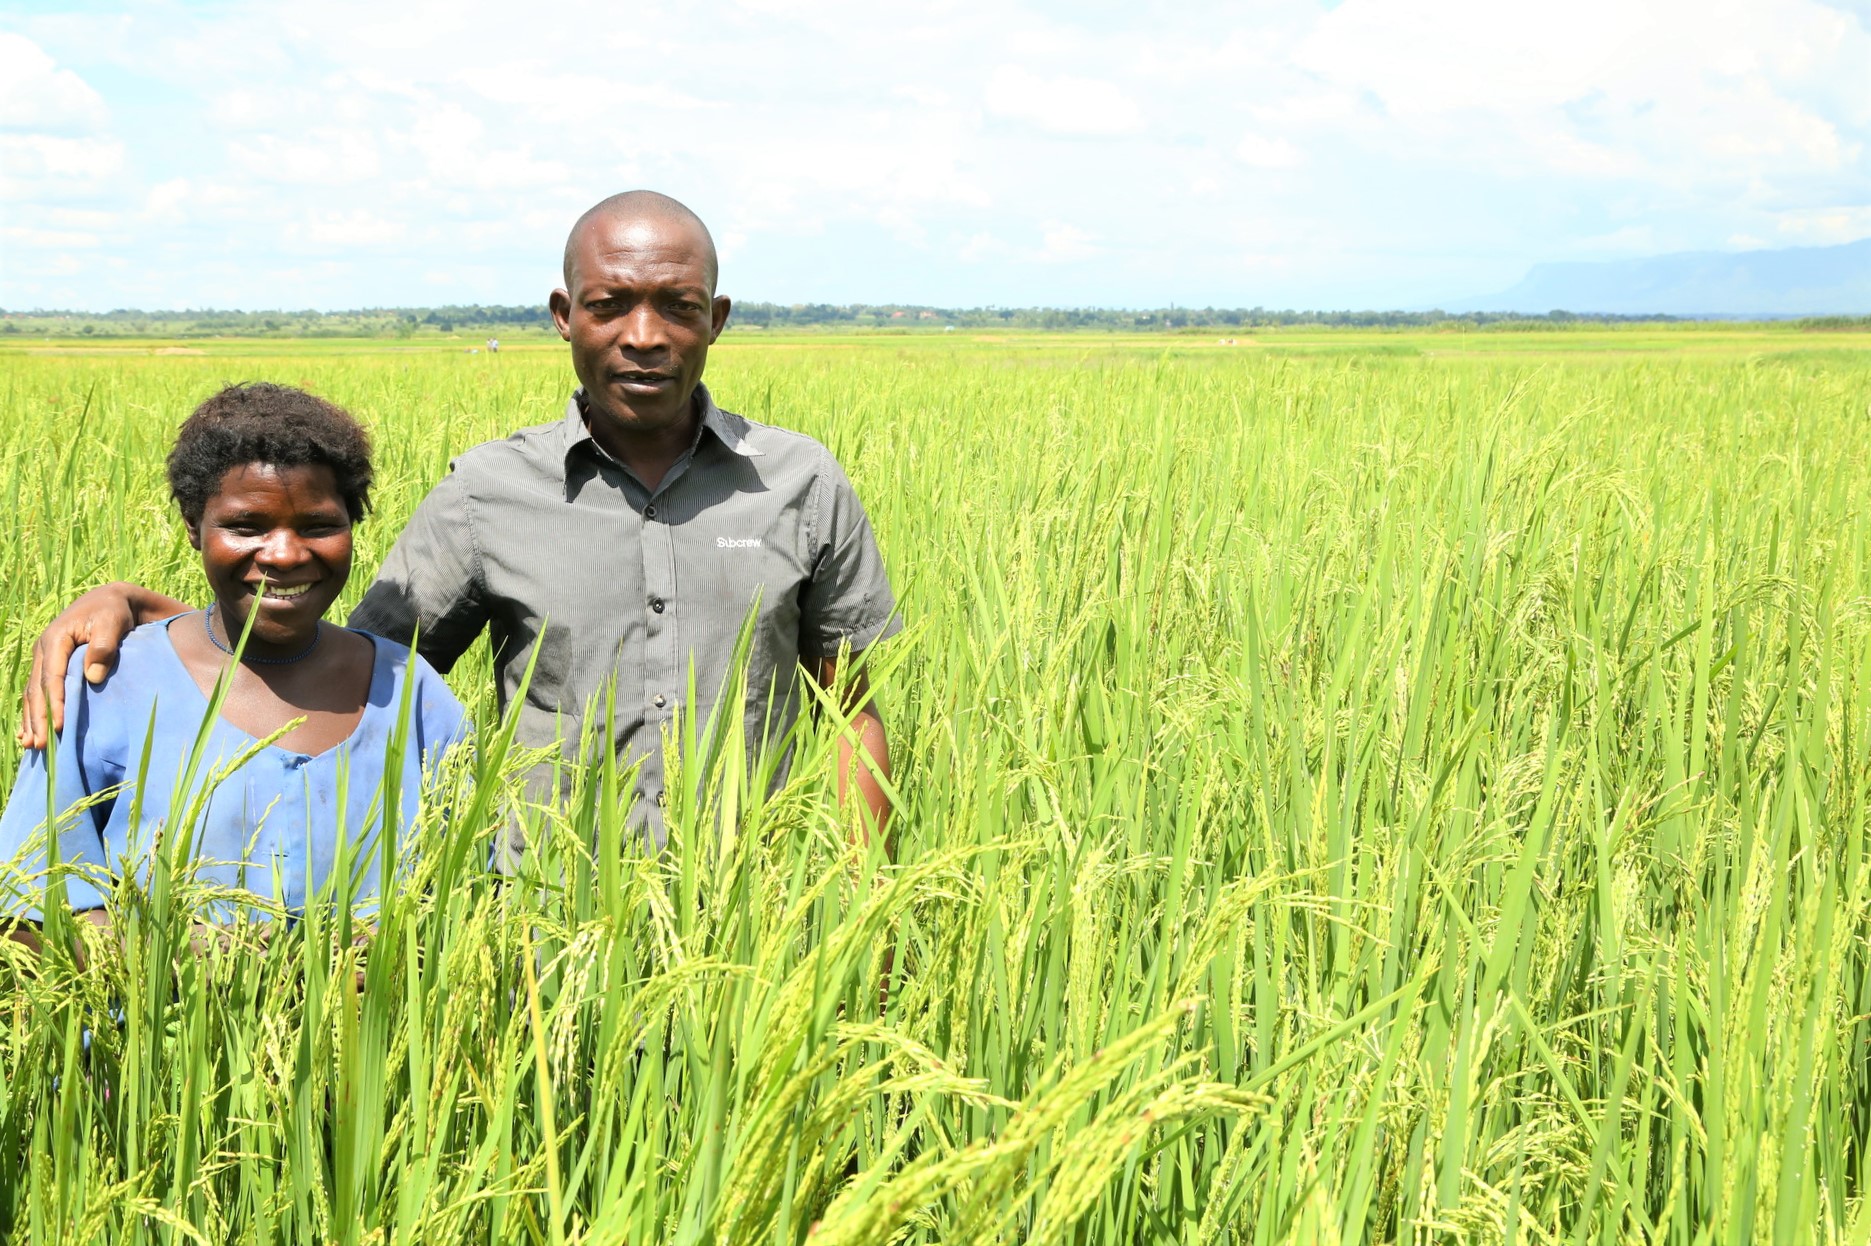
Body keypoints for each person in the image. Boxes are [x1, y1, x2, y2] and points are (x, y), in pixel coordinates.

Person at [20, 191, 900, 859]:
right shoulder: (488, 492)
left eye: (676, 305)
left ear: (716, 319)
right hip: (547, 926)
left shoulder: (799, 481)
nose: (644, 335)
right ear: (565, 317)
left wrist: (857, 903)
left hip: (756, 902)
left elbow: (852, 710)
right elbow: (340, 671)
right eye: (610, 304)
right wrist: (137, 607)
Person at [1, 383, 468, 948]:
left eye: (319, 526)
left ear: (353, 523)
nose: (285, 554)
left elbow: (470, 890)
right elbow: (30, 912)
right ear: (193, 526)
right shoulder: (107, 684)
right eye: (247, 527)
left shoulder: (410, 691)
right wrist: (211, 957)